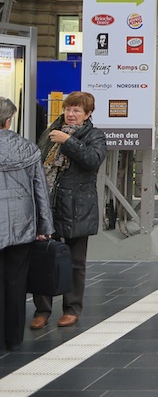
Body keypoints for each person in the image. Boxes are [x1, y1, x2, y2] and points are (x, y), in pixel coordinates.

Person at [31, 91, 107, 330]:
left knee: (75, 262)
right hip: (47, 205)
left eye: (77, 110)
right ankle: (42, 310)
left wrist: (68, 141)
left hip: (77, 207)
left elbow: (92, 160)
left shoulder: (95, 135)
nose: (71, 114)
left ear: (88, 114)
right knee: (42, 258)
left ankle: (72, 308)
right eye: (68, 109)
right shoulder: (51, 132)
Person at [0, 97, 53, 352]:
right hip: (21, 224)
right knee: (16, 282)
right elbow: (40, 189)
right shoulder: (27, 148)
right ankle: (12, 338)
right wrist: (45, 227)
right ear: (9, 121)